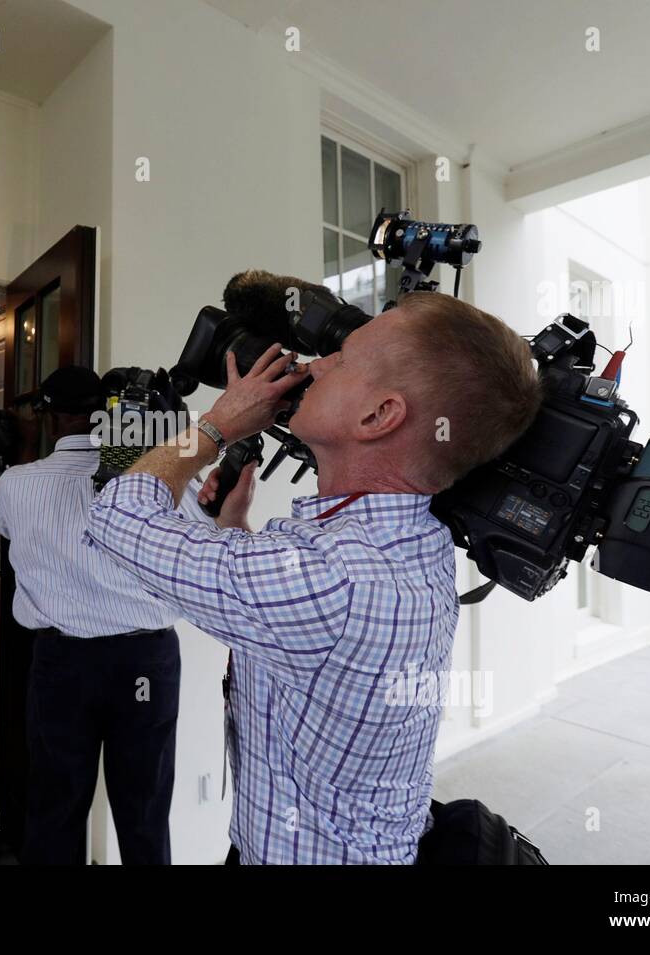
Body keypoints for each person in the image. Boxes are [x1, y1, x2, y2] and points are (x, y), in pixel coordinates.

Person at [85, 292, 543, 864]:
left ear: (380, 416)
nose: (315, 363)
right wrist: (235, 530)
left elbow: (117, 514)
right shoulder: (412, 539)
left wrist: (216, 424)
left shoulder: (331, 580)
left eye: (342, 358)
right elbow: (300, 644)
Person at [0, 366, 210, 864]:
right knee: (145, 810)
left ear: (50, 418)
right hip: (145, 661)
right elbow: (209, 526)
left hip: (60, 661)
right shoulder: (154, 480)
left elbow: (4, 526)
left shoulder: (17, 483)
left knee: (54, 806)